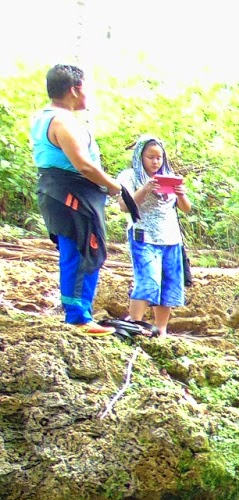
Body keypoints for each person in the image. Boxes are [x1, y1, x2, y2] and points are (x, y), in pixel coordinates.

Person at [31, 64, 122, 333]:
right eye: (86, 89)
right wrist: (113, 185)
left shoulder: (44, 118)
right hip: (70, 194)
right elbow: (83, 165)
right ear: (75, 89)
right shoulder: (61, 121)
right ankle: (79, 317)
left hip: (61, 192)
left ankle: (81, 312)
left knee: (80, 250)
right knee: (82, 250)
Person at [117, 136, 190, 335]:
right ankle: (135, 324)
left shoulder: (169, 176)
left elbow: (185, 208)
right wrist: (146, 188)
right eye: (151, 157)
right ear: (141, 156)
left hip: (171, 237)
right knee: (148, 281)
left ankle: (161, 330)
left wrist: (181, 193)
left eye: (159, 157)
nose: (155, 162)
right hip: (144, 235)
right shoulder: (130, 176)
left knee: (168, 284)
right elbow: (125, 206)